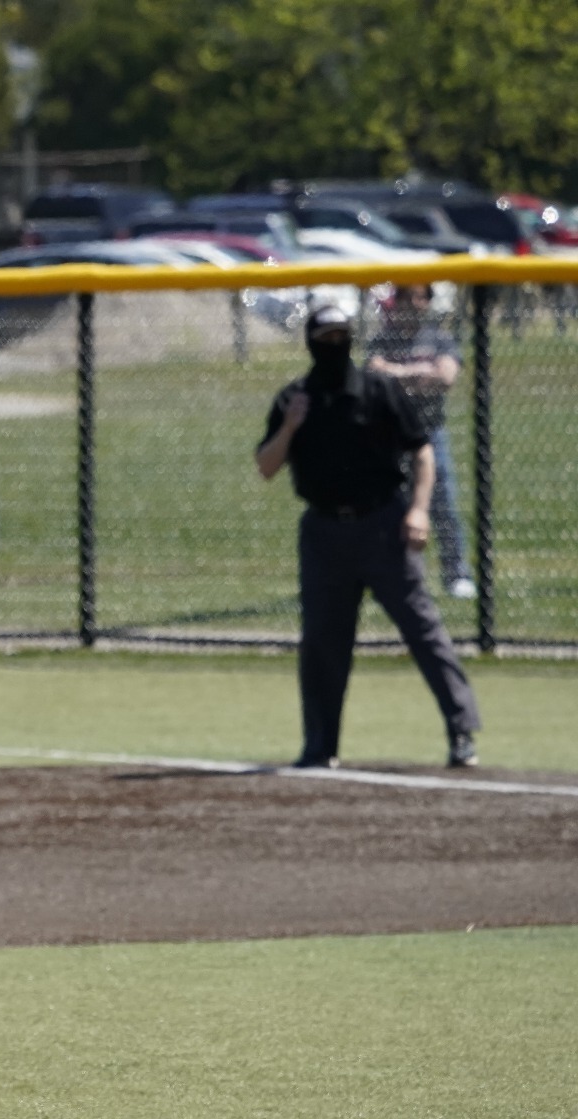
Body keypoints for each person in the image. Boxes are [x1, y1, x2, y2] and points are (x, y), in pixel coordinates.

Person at [255, 306, 481, 769]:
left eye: (341, 335)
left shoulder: (378, 390)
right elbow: (266, 466)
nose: (334, 345)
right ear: (311, 342)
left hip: (383, 525)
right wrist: (291, 425)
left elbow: (421, 451)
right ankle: (320, 746)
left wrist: (418, 510)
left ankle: (462, 730)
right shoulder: (295, 398)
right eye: (325, 337)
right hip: (323, 534)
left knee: (422, 629)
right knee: (322, 642)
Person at [367, 284, 474, 598]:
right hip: (392, 437)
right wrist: (419, 372)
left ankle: (457, 575)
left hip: (430, 433)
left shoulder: (440, 339)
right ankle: (404, 574)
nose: (414, 303)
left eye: (421, 297)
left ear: (428, 302)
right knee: (395, 506)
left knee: (443, 505)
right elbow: (374, 376)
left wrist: (397, 374)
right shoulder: (382, 340)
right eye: (407, 297)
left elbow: (446, 377)